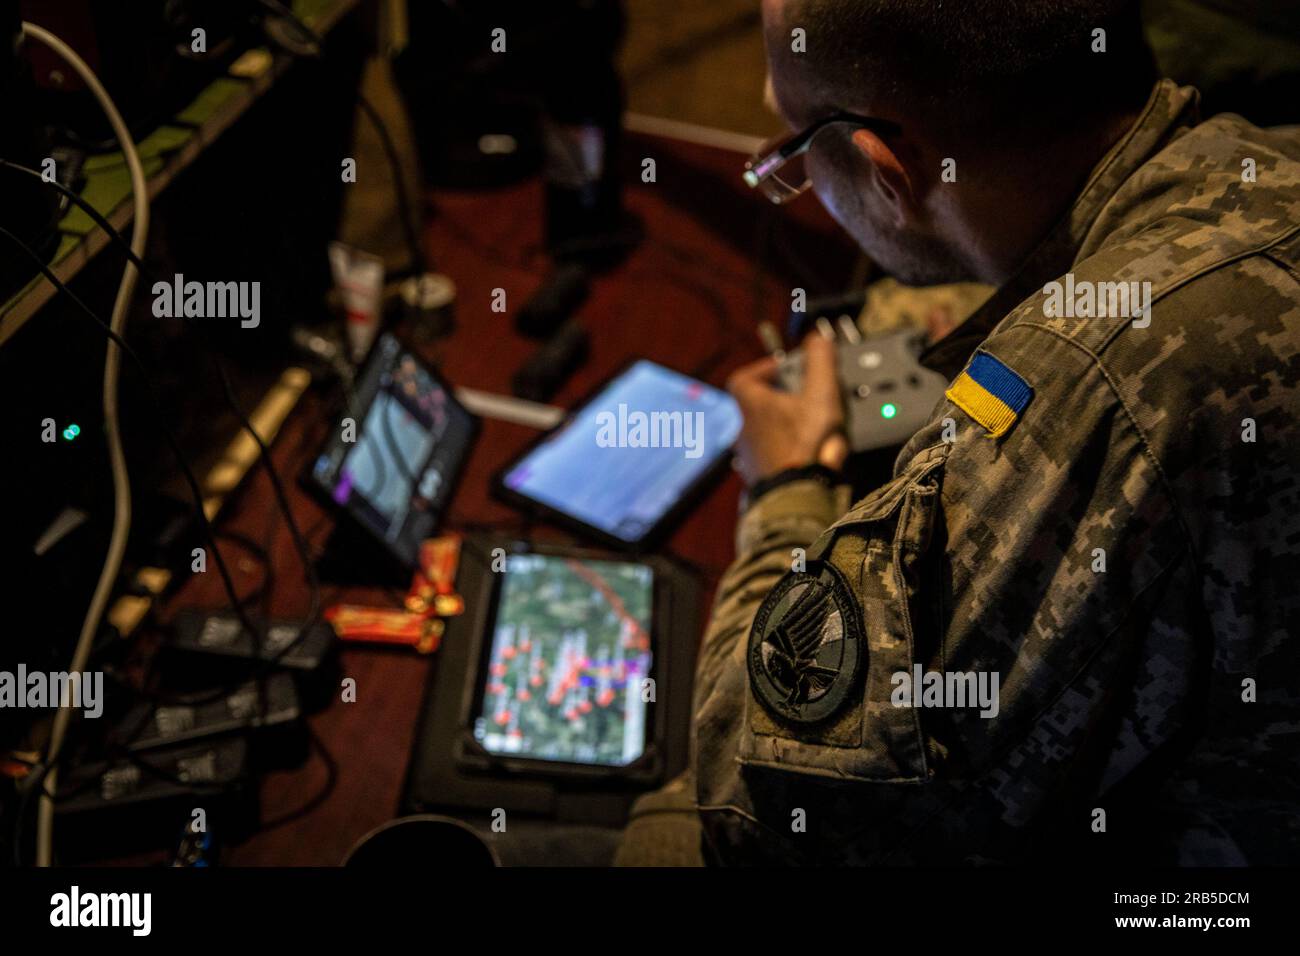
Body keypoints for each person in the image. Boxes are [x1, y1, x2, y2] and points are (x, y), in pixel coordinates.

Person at [620, 0, 1300, 865]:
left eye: (791, 155)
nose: (784, 175)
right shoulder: (1267, 158)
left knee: (662, 838)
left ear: (886, 171)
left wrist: (786, 492)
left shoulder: (1093, 373)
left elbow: (760, 796)